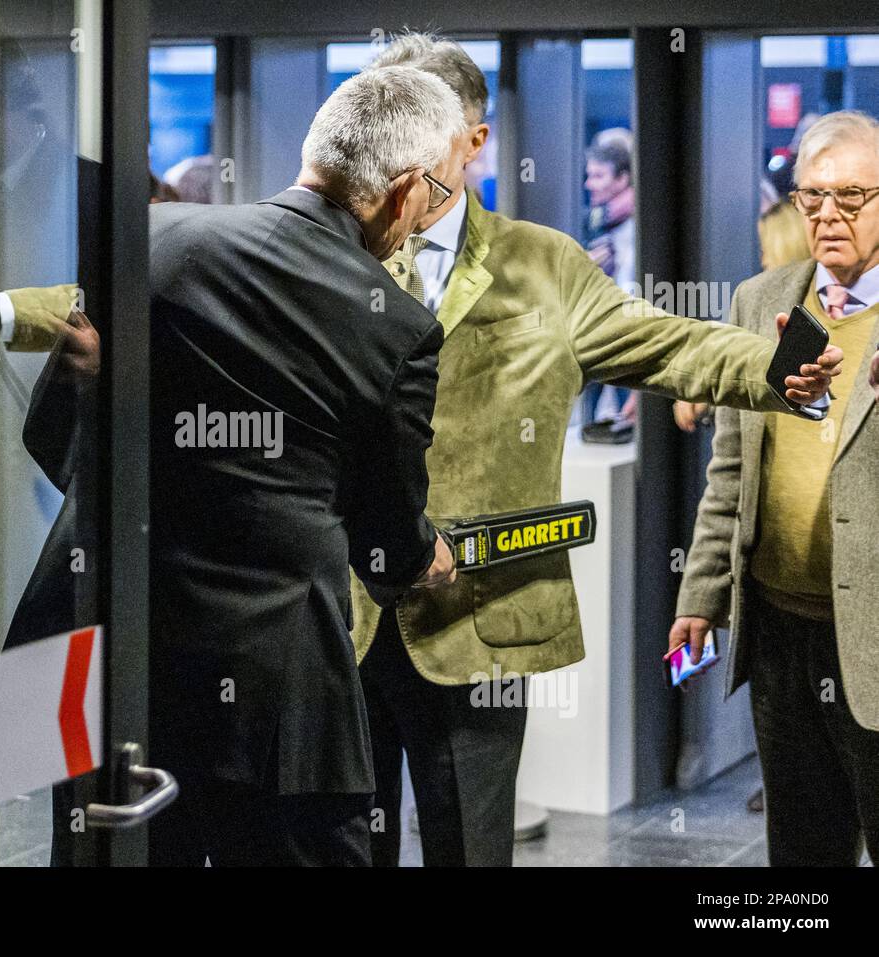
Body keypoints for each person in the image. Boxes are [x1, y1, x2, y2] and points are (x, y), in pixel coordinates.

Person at [351, 33, 843, 868]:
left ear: (474, 139)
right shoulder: (329, 254)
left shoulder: (542, 265)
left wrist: (778, 368)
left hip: (479, 616)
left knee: (469, 849)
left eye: (418, 127)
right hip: (338, 617)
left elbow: (670, 345)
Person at [144, 65, 463, 866]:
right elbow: (386, 547)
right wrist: (424, 558)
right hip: (280, 703)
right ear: (402, 192)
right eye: (443, 194)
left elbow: (60, 438)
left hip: (131, 668)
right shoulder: (398, 329)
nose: (434, 214)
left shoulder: (156, 240)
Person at [671, 111, 879, 866]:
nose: (828, 216)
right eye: (812, 198)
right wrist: (698, 593)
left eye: (852, 198)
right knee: (800, 850)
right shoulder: (762, 303)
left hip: (875, 634)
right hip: (781, 627)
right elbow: (730, 466)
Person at [675, 201, 812, 433]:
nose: (763, 262)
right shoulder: (756, 306)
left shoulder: (822, 313)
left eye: (766, 251)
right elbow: (744, 379)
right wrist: (708, 397)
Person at [582, 129, 637, 429]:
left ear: (623, 179)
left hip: (634, 333)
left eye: (599, 176)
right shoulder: (594, 221)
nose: (590, 184)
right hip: (599, 333)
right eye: (589, 175)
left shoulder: (642, 224)